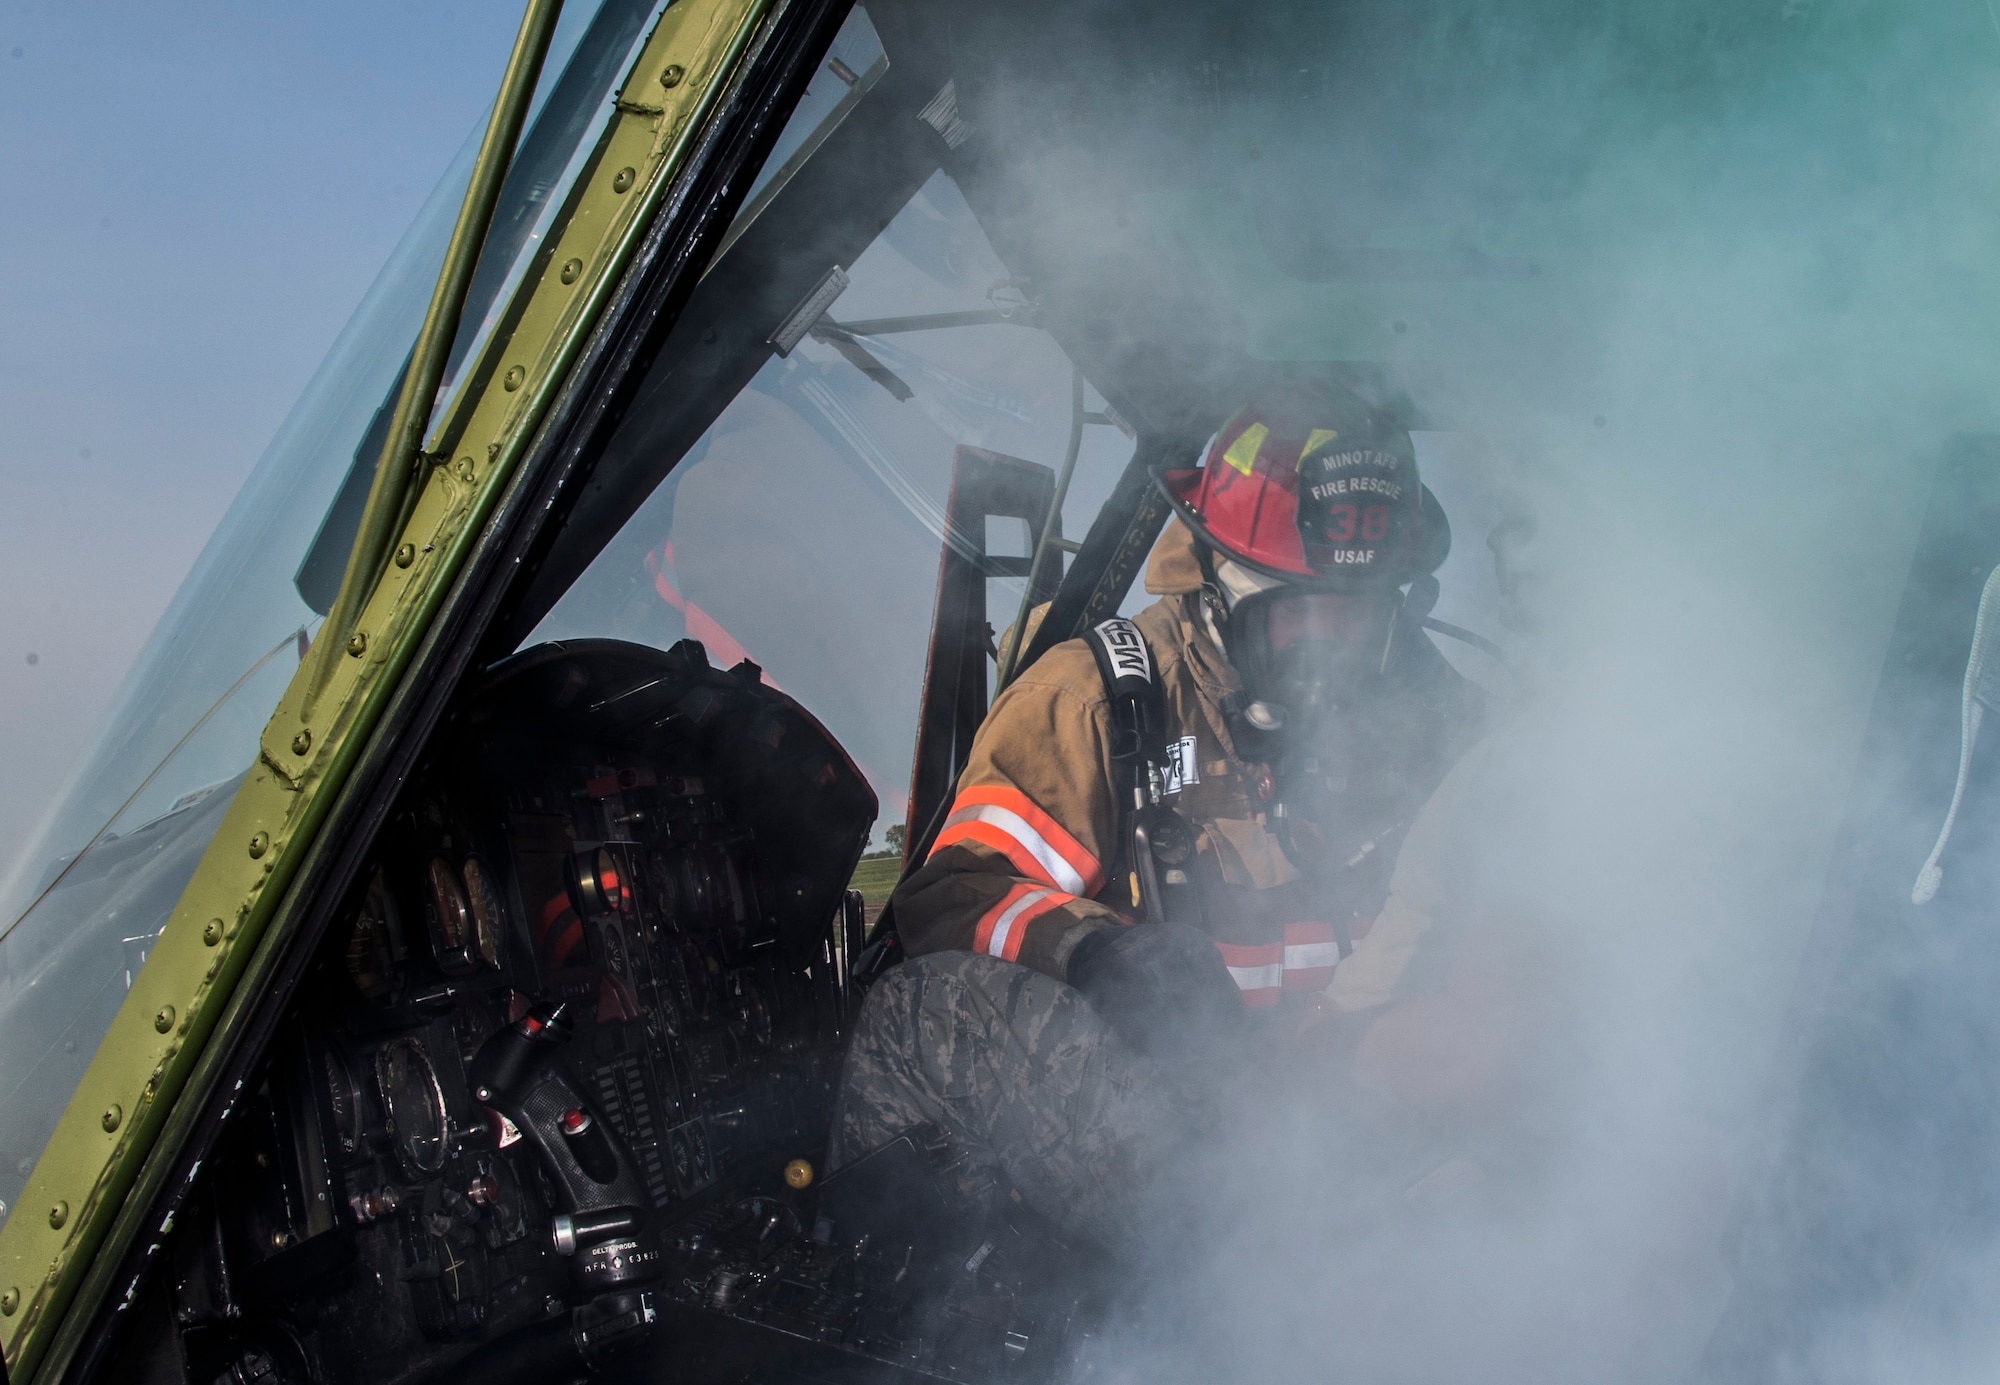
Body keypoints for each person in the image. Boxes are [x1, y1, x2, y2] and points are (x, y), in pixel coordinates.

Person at [828, 388, 1486, 1250]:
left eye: (1359, 623)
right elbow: (955, 893)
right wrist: (1095, 947)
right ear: (1219, 587)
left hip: (1351, 1105)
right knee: (925, 1008)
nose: (1335, 661)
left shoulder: (1448, 728)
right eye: (1300, 621)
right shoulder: (1097, 700)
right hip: (1179, 1134)